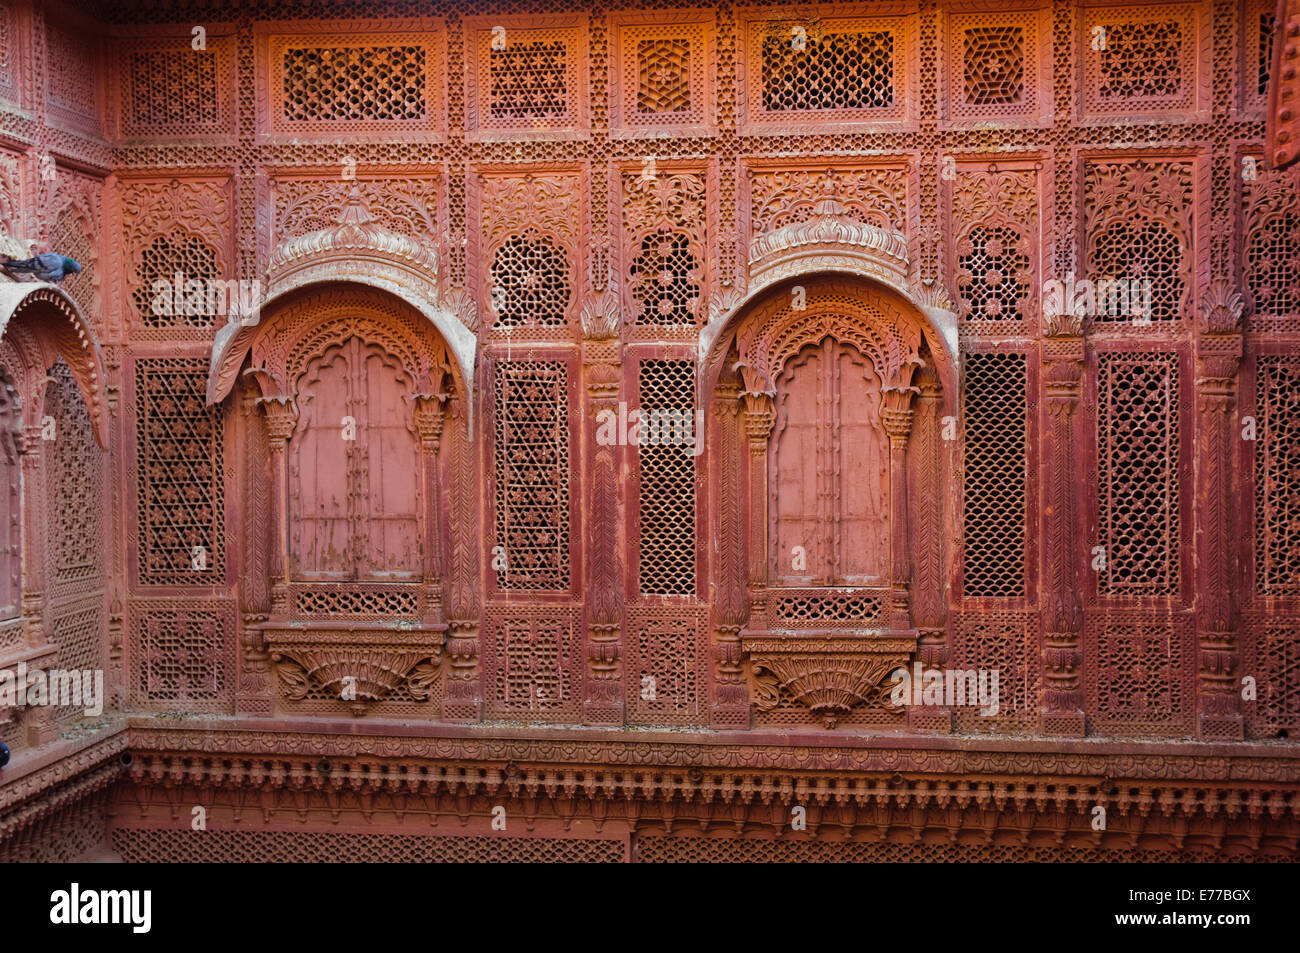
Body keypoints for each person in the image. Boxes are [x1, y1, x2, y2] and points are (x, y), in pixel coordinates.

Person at [1, 247, 82, 283]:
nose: (72, 273)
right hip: (35, 268)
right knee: (18, 265)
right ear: (71, 267)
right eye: (73, 270)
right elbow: (38, 269)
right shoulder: (57, 262)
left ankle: (10, 263)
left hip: (37, 266)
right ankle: (8, 263)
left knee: (18, 264)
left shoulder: (62, 264)